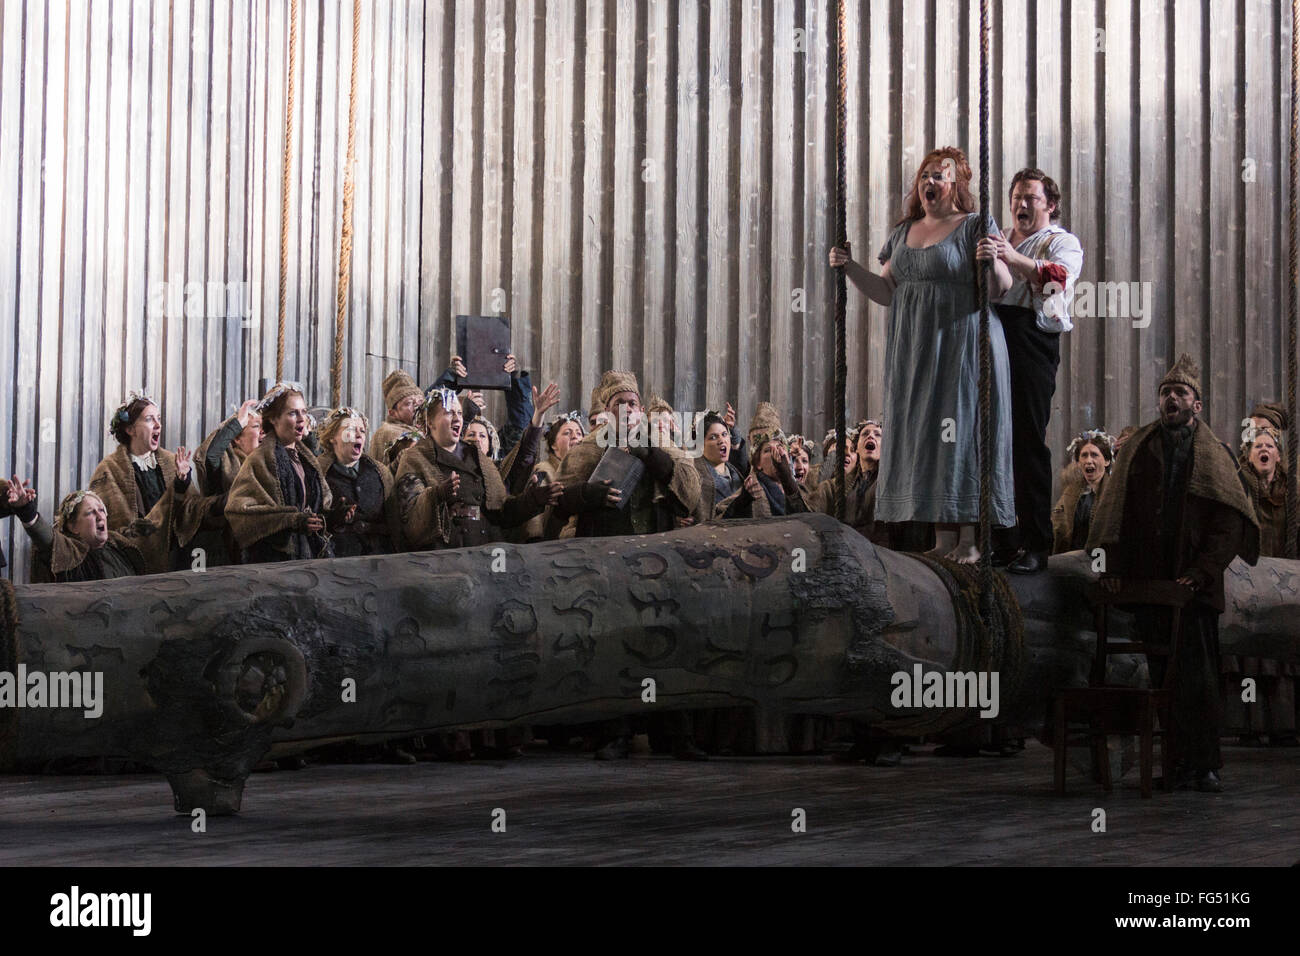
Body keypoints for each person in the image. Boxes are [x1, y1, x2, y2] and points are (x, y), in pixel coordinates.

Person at [830, 146, 1015, 562]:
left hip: (962, 344)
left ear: (956, 184)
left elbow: (1001, 288)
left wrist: (996, 260)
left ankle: (968, 540)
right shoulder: (903, 232)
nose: (930, 182)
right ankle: (943, 539)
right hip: (916, 350)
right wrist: (850, 267)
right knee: (929, 432)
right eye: (925, 175)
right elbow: (886, 292)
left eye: (940, 175)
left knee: (962, 427)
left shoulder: (974, 225)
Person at [1086, 355, 1259, 793]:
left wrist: (1201, 572)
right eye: (1166, 393)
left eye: (1180, 394)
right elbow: (1112, 514)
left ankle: (1203, 765)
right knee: (1160, 675)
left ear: (1196, 405)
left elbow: (1229, 522)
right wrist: (1109, 567)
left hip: (1192, 592)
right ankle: (1175, 765)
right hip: (1149, 585)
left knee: (1197, 679)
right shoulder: (1139, 448)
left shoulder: (1213, 454)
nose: (1172, 400)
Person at [985, 168, 1085, 573]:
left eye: (1031, 198)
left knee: (1027, 439)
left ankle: (1036, 544)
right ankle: (1001, 538)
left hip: (1031, 338)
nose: (1021, 205)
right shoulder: (999, 239)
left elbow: (1058, 281)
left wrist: (1011, 258)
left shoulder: (1061, 242)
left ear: (1051, 204)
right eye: (1016, 197)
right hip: (992, 331)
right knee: (991, 440)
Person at [395, 388, 558, 551]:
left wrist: (535, 499)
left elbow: (502, 511)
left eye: (459, 412)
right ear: (430, 422)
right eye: (449, 412)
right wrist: (438, 494)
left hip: (488, 549)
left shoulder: (476, 456)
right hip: (446, 554)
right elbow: (410, 519)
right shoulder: (415, 458)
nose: (457, 417)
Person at [548, 370, 701, 539]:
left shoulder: (661, 444)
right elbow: (557, 502)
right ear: (607, 411)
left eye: (632, 403)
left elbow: (689, 494)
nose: (626, 409)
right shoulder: (587, 449)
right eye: (619, 403)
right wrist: (588, 493)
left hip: (655, 545)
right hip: (602, 547)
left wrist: (649, 454)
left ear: (641, 411)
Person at [1223, 420, 1297, 746]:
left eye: (1269, 446)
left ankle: (1283, 725)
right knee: (1250, 665)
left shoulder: (1292, 494)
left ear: (1279, 456)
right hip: (1250, 585)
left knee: (1281, 663)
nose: (1264, 450)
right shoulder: (1240, 490)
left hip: (1283, 583)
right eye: (1257, 446)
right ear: (1248, 455)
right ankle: (1251, 725)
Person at [88, 392, 203, 572]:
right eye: (149, 419)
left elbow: (194, 510)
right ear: (130, 429)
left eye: (158, 418)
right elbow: (107, 525)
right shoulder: (109, 469)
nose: (158, 425)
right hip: (136, 558)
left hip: (176, 554)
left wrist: (184, 480)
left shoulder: (172, 461)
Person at [226, 382, 334, 563]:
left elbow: (320, 503)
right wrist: (290, 521)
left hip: (310, 558)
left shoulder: (307, 460)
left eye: (304, 412)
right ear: (274, 419)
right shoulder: (259, 460)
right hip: (273, 562)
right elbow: (239, 513)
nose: (302, 419)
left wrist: (333, 516)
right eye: (293, 413)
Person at [7, 480, 165, 582]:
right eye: (90, 512)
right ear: (73, 526)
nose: (99, 516)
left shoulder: (119, 544)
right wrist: (26, 511)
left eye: (101, 510)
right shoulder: (68, 552)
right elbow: (47, 539)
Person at [188, 399, 264, 566]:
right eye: (257, 426)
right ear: (237, 438)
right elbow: (211, 455)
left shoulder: (266, 466)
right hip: (224, 552)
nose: (263, 433)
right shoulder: (226, 465)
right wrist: (238, 422)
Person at [316, 407, 400, 557]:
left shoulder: (380, 473)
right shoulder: (318, 473)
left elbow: (394, 518)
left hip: (379, 558)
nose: (358, 435)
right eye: (351, 429)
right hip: (336, 560)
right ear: (332, 437)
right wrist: (333, 518)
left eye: (362, 431)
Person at [718, 403, 808, 519]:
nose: (776, 453)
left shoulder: (801, 489)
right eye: (768, 450)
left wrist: (786, 478)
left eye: (780, 447)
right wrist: (742, 503)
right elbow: (720, 519)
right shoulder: (750, 490)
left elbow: (808, 520)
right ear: (758, 463)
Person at [518, 412, 585, 542]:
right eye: (567, 433)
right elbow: (535, 516)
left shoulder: (584, 470)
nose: (575, 437)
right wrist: (535, 539)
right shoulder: (544, 470)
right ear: (553, 445)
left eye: (579, 433)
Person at [1050, 429, 1114, 554]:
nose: (1088, 461)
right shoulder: (1070, 493)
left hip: (1102, 559)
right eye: (1084, 455)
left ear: (1106, 461)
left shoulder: (1113, 493)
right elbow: (1057, 527)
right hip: (1071, 557)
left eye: (1094, 455)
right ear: (1078, 463)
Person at [693, 411, 745, 521]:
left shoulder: (736, 472)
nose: (721, 440)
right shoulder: (694, 475)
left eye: (724, 434)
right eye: (713, 437)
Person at [369, 370, 424, 462]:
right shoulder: (387, 432)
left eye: (420, 401)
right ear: (393, 413)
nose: (417, 406)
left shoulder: (425, 426)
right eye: (408, 403)